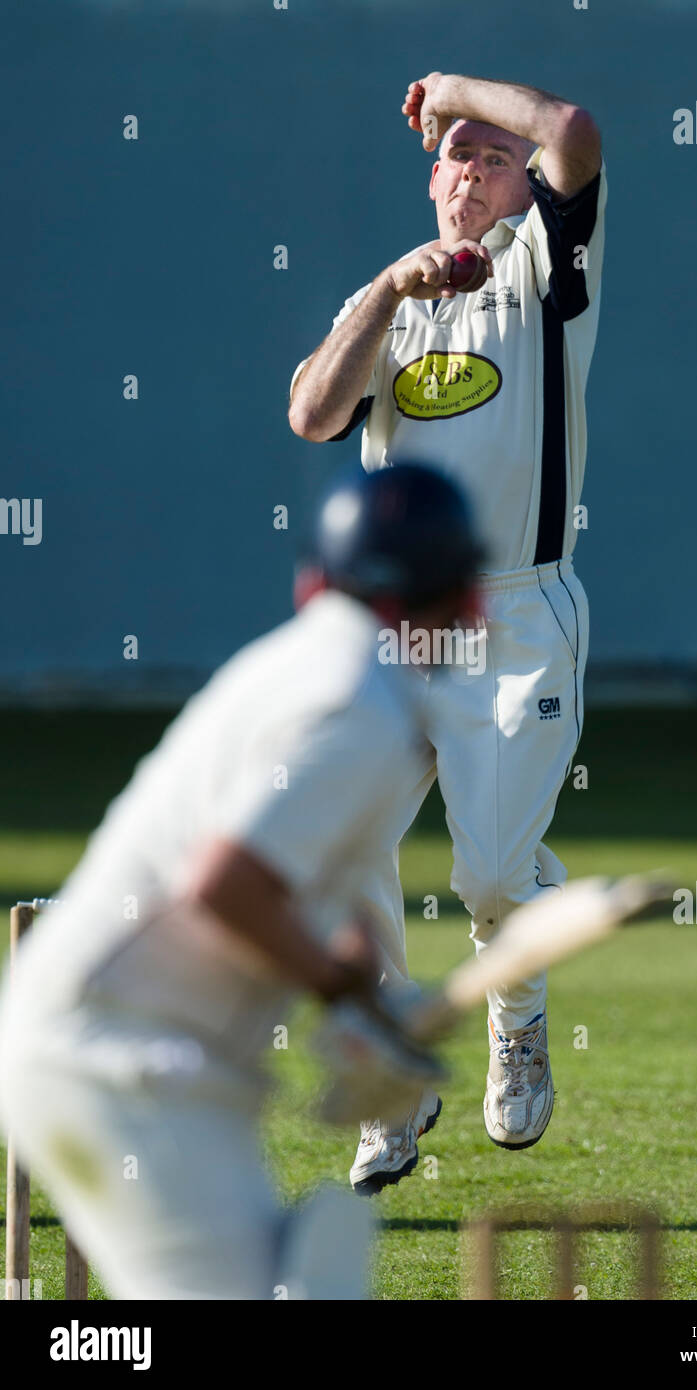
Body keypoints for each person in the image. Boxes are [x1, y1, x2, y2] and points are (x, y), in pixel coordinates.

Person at [0, 463, 483, 1298]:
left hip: (110, 1054)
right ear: (469, 599)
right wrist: (337, 986)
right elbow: (224, 884)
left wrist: (349, 971)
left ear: (314, 578)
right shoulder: (359, 702)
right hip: (121, 1065)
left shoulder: (297, 663)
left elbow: (255, 882)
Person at [289, 71, 606, 1189]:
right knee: (344, 842)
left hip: (517, 614)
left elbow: (569, 128)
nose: (471, 168)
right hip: (391, 628)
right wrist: (384, 289)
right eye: (453, 153)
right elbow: (313, 413)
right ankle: (394, 1078)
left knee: (491, 876)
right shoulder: (388, 299)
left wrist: (450, 93)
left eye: (492, 156)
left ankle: (514, 1014)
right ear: (430, 177)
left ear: (523, 185)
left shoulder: (546, 271)